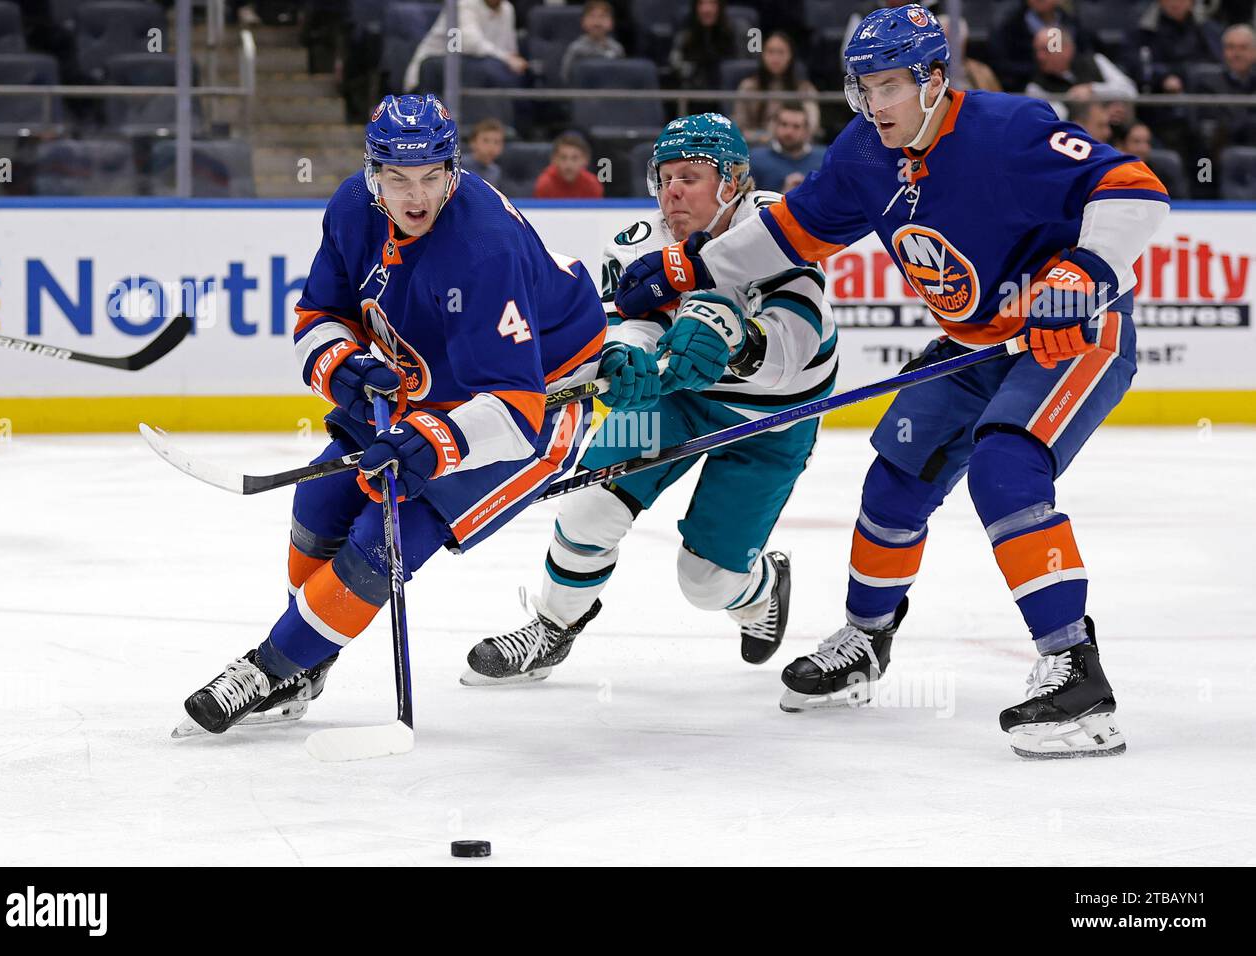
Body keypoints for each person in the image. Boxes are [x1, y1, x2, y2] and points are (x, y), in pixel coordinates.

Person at [612, 5, 1171, 758]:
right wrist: (689, 266)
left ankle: (1076, 670)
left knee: (1006, 468)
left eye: (889, 87)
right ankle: (867, 643)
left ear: (934, 78)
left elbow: (1135, 187)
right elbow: (789, 234)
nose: (875, 106)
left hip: (1071, 333)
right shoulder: (864, 154)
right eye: (863, 88)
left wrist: (1085, 270)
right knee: (894, 480)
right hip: (974, 344)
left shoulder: (1009, 128)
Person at [179, 94, 607, 735]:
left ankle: (272, 668)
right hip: (427, 382)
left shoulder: (483, 247)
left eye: (432, 176)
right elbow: (317, 316)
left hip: (538, 400)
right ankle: (306, 659)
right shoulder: (353, 206)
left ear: (452, 170)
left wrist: (431, 441)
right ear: (373, 172)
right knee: (321, 504)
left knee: (384, 538)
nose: (417, 196)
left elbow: (514, 407)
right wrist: (340, 364)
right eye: (399, 178)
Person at [462, 113, 836, 684]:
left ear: (732, 182)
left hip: (772, 416)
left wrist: (736, 342)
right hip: (678, 397)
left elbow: (799, 347)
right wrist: (625, 354)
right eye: (664, 177)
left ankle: (759, 593)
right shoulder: (639, 241)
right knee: (588, 504)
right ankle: (552, 628)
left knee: (705, 582)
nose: (671, 191)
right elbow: (630, 321)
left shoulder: (777, 230)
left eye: (690, 176)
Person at [404, 0, 526, 93]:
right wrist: (507, 58)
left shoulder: (507, 9)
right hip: (434, 72)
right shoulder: (463, 3)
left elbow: (510, 52)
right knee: (489, 70)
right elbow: (469, 43)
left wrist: (510, 59)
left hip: (478, 73)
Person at [1023, 27, 1136, 120]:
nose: (1040, 57)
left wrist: (1093, 89)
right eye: (1037, 51)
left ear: (1067, 49)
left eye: (1046, 50)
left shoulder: (1095, 60)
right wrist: (1102, 115)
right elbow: (1056, 118)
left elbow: (1130, 90)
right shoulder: (1036, 87)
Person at [733, 31, 820, 145]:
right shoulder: (748, 87)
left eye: (781, 52)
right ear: (762, 55)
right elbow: (739, 128)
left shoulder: (805, 89)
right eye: (770, 52)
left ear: (790, 56)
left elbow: (812, 126)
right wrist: (763, 137)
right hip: (756, 148)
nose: (775, 58)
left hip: (793, 148)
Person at [748, 103, 827, 192]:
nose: (789, 132)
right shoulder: (756, 159)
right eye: (784, 124)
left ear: (807, 130)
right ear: (775, 126)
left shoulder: (824, 159)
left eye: (796, 126)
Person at [670, 0, 740, 91]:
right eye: (701, 4)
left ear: (721, 7)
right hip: (694, 94)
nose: (706, 10)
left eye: (712, 3)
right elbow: (675, 63)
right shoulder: (684, 36)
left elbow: (743, 69)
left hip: (729, 93)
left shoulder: (737, 33)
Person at [561, 0, 626, 86]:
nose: (597, 22)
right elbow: (566, 77)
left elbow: (622, 77)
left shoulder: (617, 48)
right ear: (583, 22)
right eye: (592, 16)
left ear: (611, 23)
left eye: (603, 17)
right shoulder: (575, 49)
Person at [533, 132, 604, 199]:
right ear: (554, 160)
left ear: (585, 160)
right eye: (563, 158)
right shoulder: (545, 185)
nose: (569, 164)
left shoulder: (593, 186)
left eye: (575, 158)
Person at [463, 117, 505, 188]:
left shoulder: (496, 171)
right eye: (486, 141)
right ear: (473, 143)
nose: (491, 146)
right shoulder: (460, 166)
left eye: (497, 142)